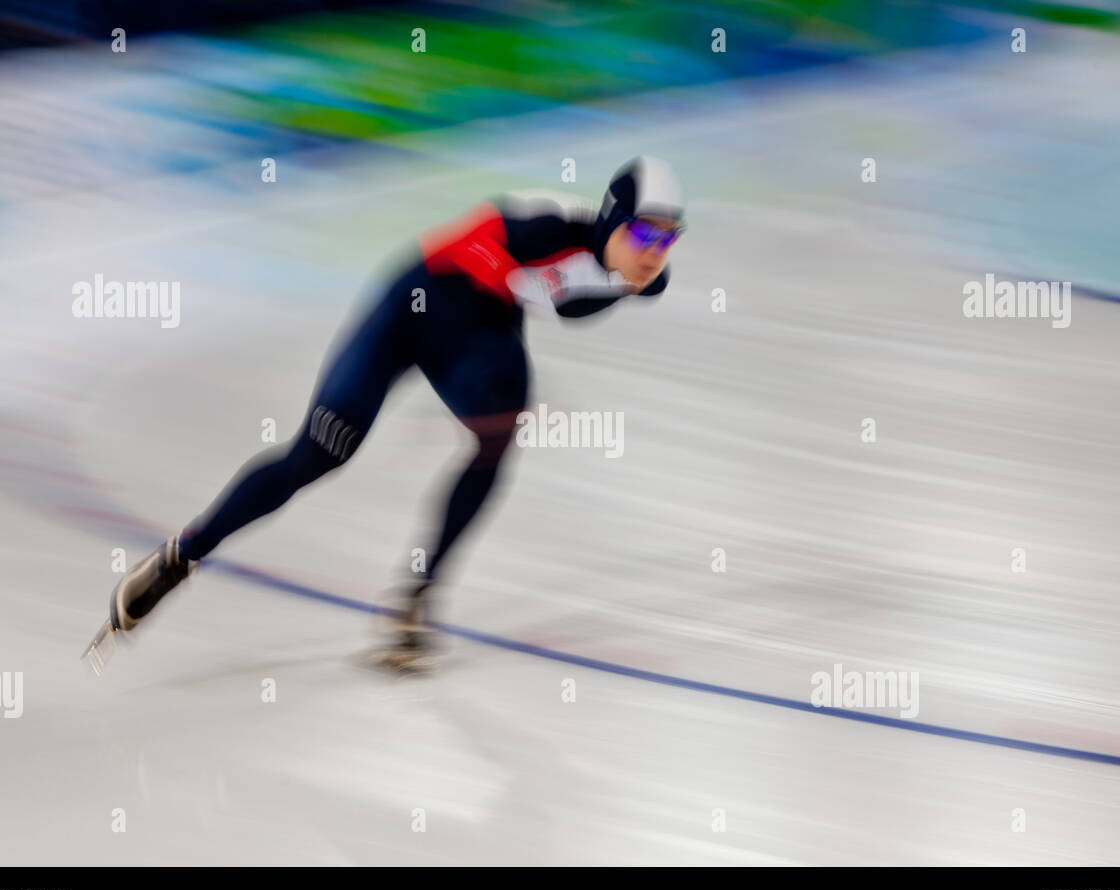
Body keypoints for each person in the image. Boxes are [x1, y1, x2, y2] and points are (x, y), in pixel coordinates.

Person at [92, 155, 685, 671]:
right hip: (418, 302)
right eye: (643, 235)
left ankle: (415, 599)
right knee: (319, 453)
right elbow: (468, 247)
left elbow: (562, 297)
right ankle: (181, 557)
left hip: (482, 324)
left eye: (667, 239)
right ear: (611, 220)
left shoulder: (641, 279)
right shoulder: (545, 228)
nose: (654, 254)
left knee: (497, 439)